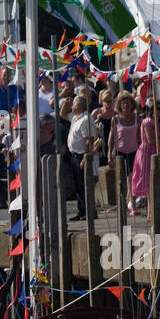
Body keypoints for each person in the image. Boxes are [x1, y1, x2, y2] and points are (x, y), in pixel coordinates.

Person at [67, 88, 101, 221]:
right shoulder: (76, 118)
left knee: (84, 185)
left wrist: (85, 159)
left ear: (79, 106)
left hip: (82, 156)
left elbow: (89, 141)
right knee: (78, 185)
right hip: (75, 155)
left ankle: (88, 211)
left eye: (74, 103)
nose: (72, 106)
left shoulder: (85, 119)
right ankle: (82, 211)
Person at [108, 91, 141, 213]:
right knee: (121, 179)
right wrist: (109, 154)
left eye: (128, 103)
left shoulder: (137, 118)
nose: (126, 106)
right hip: (120, 152)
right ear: (119, 105)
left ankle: (132, 205)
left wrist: (141, 151)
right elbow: (111, 138)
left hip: (134, 151)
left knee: (132, 178)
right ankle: (123, 203)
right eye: (123, 104)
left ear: (132, 105)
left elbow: (139, 138)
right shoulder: (115, 119)